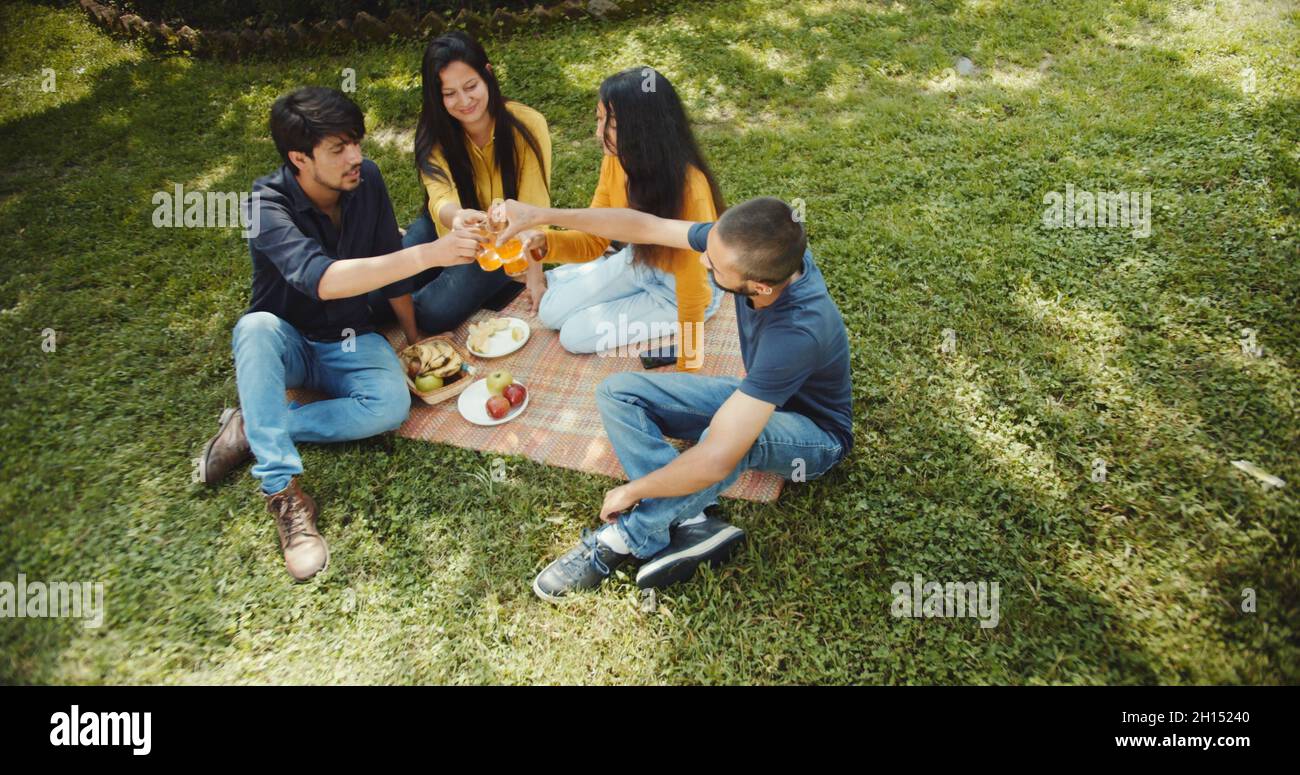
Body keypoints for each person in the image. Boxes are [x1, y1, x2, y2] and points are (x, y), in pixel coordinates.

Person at [494, 196, 853, 600]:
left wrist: (636, 491)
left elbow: (719, 455)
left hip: (816, 436)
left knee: (737, 443)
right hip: (758, 397)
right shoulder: (755, 252)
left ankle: (623, 537)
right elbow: (644, 226)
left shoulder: (798, 331)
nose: (702, 261)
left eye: (714, 266)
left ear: (760, 287)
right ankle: (694, 519)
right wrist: (543, 216)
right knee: (618, 392)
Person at [196, 87, 479, 581]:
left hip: (350, 336)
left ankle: (254, 428)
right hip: (288, 344)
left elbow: (386, 265)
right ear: (299, 158)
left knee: (390, 407)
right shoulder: (265, 205)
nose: (356, 157)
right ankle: (284, 494)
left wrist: (413, 341)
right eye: (339, 149)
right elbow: (323, 280)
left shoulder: (364, 180)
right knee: (254, 328)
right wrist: (432, 253)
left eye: (356, 142)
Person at [517, 67, 725, 370]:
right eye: (599, 119)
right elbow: (594, 239)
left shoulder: (690, 188)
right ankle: (589, 278)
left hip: (678, 293)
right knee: (549, 313)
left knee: (573, 336)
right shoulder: (615, 160)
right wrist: (545, 242)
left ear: (645, 128)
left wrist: (688, 366)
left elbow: (693, 285)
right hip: (639, 261)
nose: (598, 133)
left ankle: (586, 280)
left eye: (610, 123)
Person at [392, 31, 551, 336]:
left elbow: (535, 208)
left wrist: (535, 273)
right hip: (449, 224)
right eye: (449, 93)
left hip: (505, 238)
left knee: (433, 313)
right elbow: (439, 197)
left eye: (470, 86)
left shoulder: (527, 125)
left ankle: (407, 305)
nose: (464, 101)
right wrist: (458, 217)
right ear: (436, 96)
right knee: (382, 287)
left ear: (487, 75)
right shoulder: (432, 133)